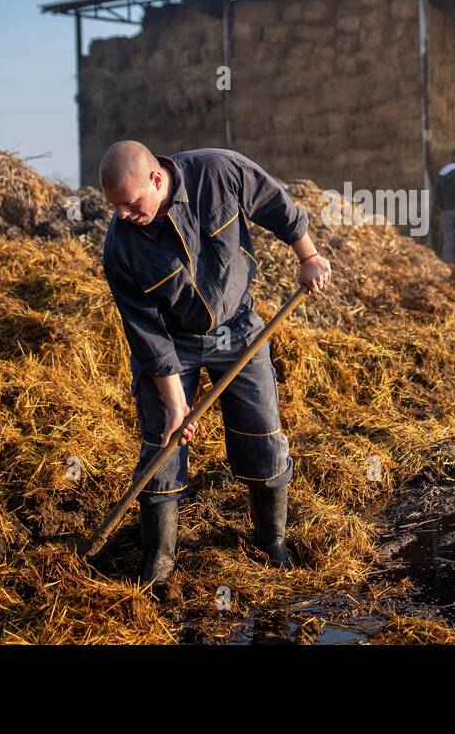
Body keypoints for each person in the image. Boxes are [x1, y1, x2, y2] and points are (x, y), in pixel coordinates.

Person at [98, 140, 332, 592]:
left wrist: (308, 256)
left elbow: (273, 202)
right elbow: (146, 334)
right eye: (114, 207)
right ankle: (160, 561)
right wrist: (174, 405)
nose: (122, 215)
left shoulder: (217, 171)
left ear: (156, 178)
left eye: (128, 204)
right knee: (161, 442)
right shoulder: (120, 247)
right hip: (173, 342)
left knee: (262, 430)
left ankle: (272, 544)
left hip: (238, 325)